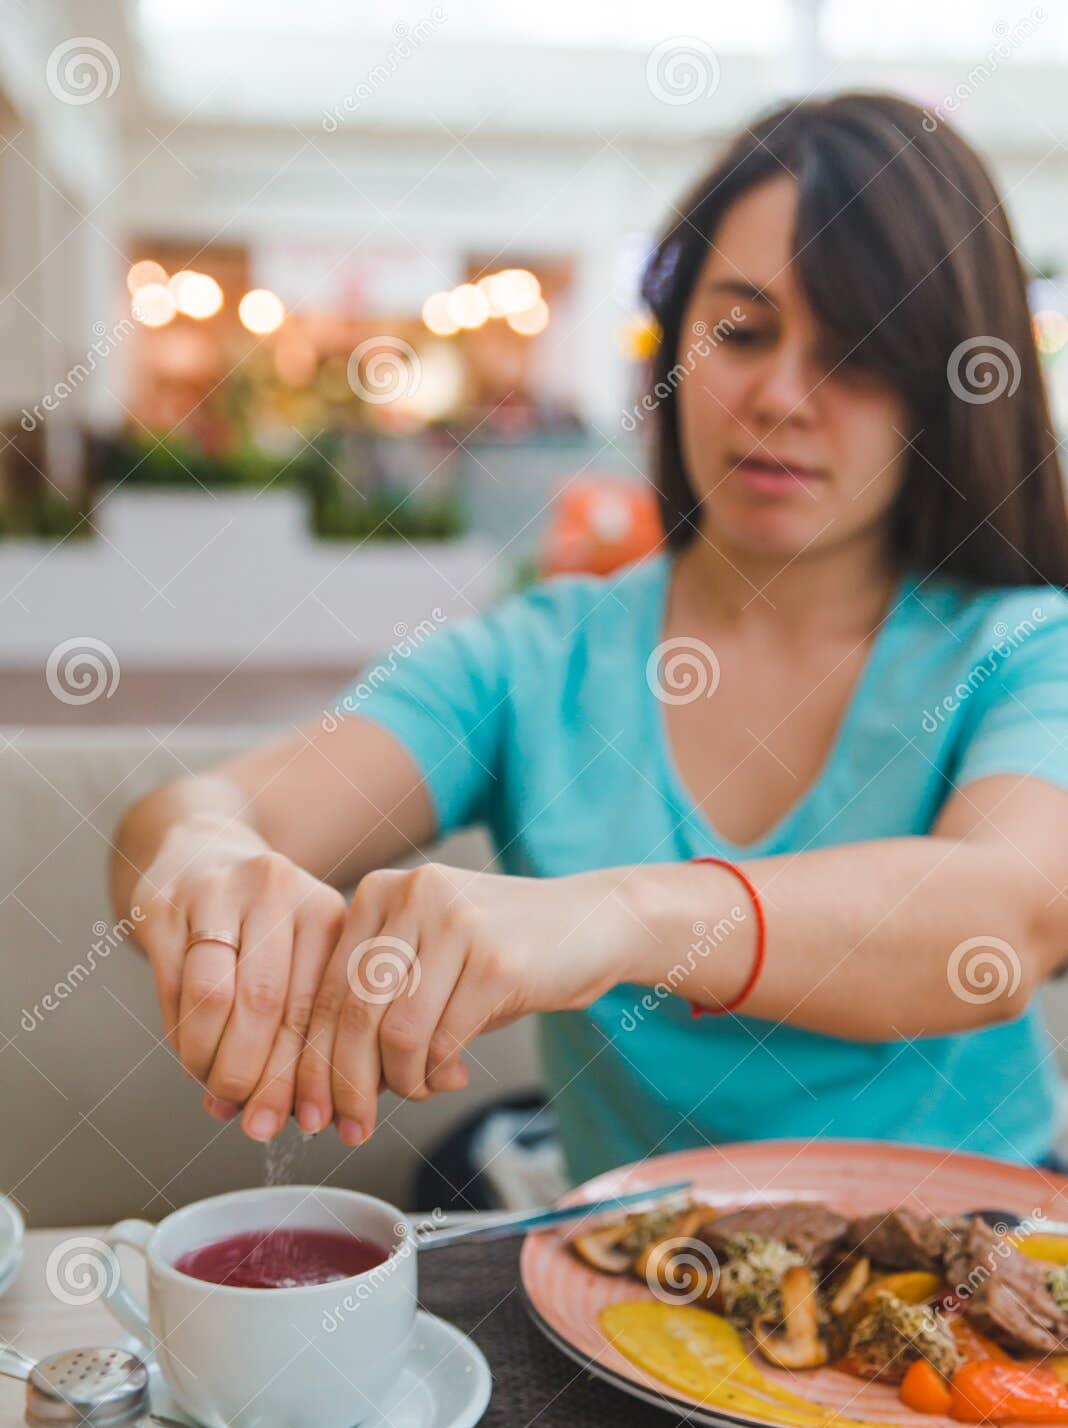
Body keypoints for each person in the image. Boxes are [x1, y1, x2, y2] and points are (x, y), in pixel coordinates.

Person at [111, 93, 1068, 1185]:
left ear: (945, 388)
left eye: (858, 352)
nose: (780, 396)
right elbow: (191, 816)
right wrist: (207, 865)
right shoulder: (537, 659)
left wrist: (614, 918)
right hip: (624, 1266)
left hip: (973, 1260)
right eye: (742, 332)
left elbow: (1003, 916)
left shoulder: (1026, 647)